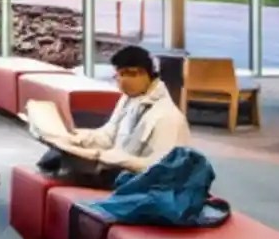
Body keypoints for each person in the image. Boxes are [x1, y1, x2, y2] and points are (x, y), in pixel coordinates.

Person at [64, 45, 191, 174]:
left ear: (142, 73)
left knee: (66, 167)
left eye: (125, 74)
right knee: (61, 157)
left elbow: (164, 167)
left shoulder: (167, 117)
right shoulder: (129, 99)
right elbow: (108, 136)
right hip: (114, 167)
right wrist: (77, 137)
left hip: (135, 180)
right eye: (118, 75)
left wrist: (124, 161)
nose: (120, 81)